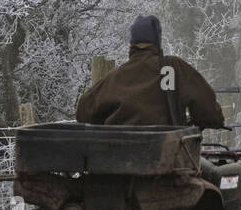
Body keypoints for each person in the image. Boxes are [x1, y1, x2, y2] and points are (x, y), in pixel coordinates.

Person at [76, 15, 226, 129]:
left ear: (131, 43)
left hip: (118, 156)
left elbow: (84, 111)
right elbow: (208, 110)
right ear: (157, 40)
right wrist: (209, 120)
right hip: (168, 157)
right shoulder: (173, 67)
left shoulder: (116, 76)